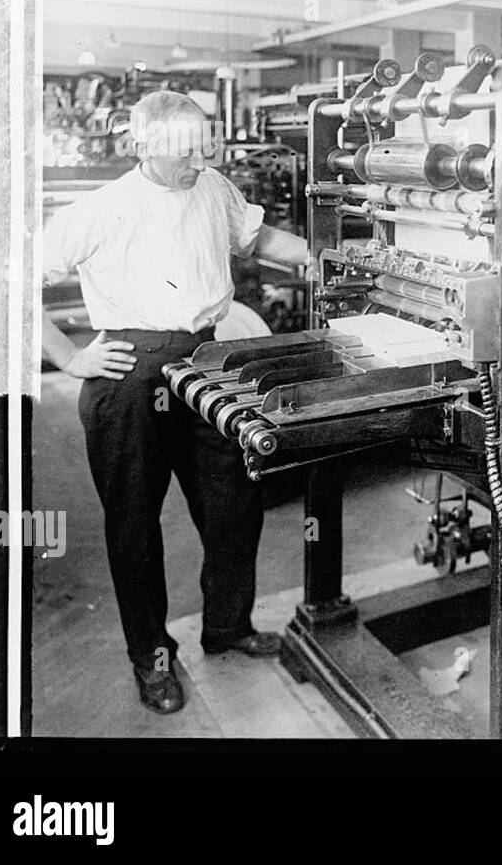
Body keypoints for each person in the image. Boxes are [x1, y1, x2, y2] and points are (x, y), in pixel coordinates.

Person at [40, 90, 310, 715]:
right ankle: (152, 657)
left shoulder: (211, 186)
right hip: (130, 374)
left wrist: (335, 256)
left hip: (205, 363)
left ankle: (227, 627)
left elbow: (262, 238)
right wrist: (68, 356)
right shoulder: (102, 209)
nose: (198, 158)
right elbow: (8, 276)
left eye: (203, 144)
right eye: (184, 150)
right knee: (134, 524)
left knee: (235, 503)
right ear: (143, 146)